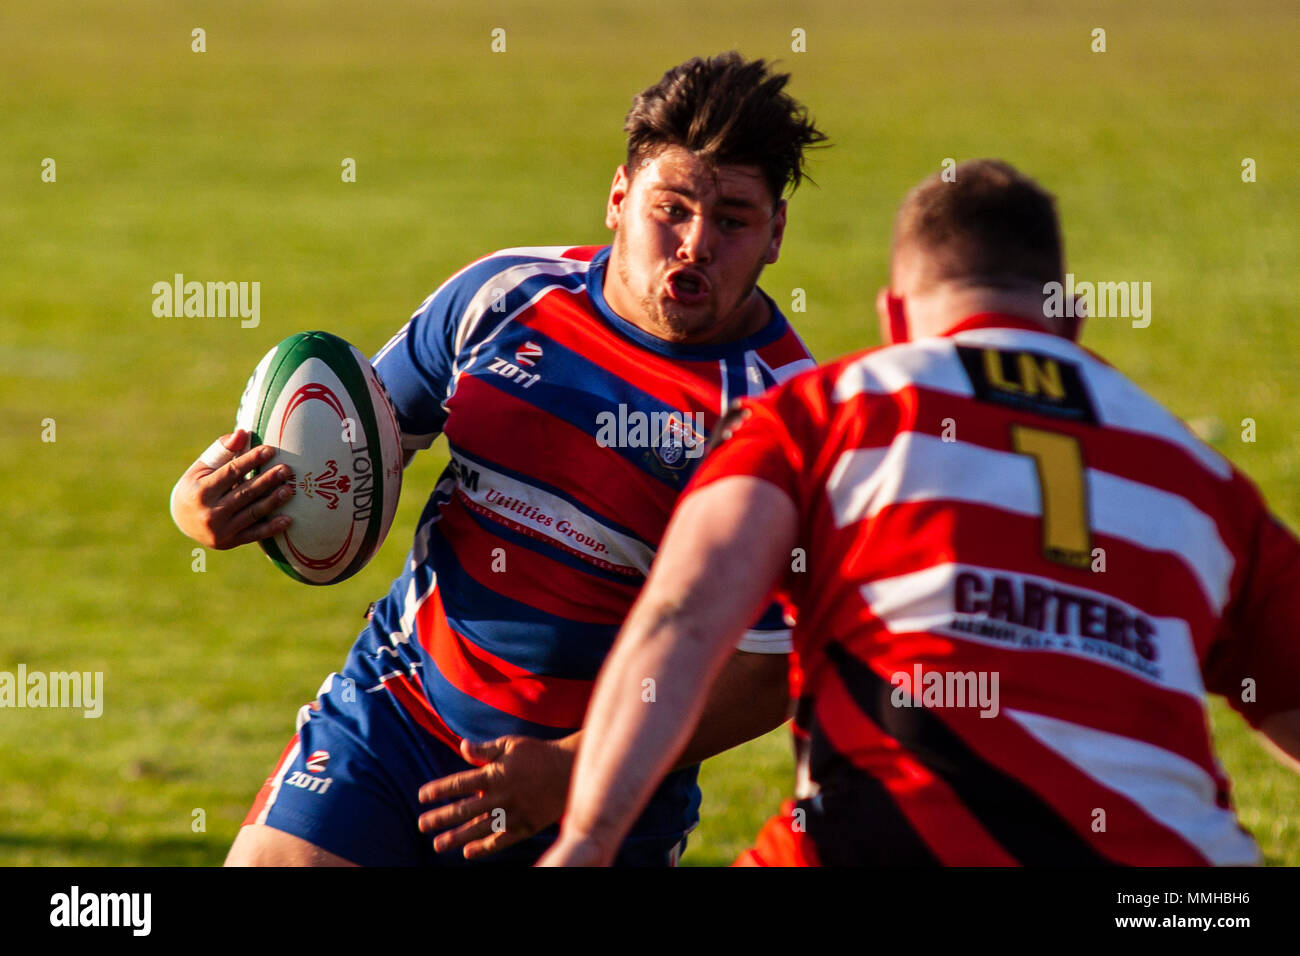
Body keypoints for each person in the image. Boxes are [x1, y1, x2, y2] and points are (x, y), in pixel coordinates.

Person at [541, 159, 1300, 866]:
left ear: (895, 318)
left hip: (901, 832)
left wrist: (586, 840)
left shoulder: (817, 414)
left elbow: (683, 618)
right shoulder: (1202, 478)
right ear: (1069, 320)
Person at [169, 52, 826, 866]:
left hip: (600, 789)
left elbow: (769, 669)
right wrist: (203, 503)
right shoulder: (503, 297)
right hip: (397, 713)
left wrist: (575, 768)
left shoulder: (783, 417)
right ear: (620, 198)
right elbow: (355, 443)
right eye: (673, 207)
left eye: (732, 220)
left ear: (776, 235)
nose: (694, 245)